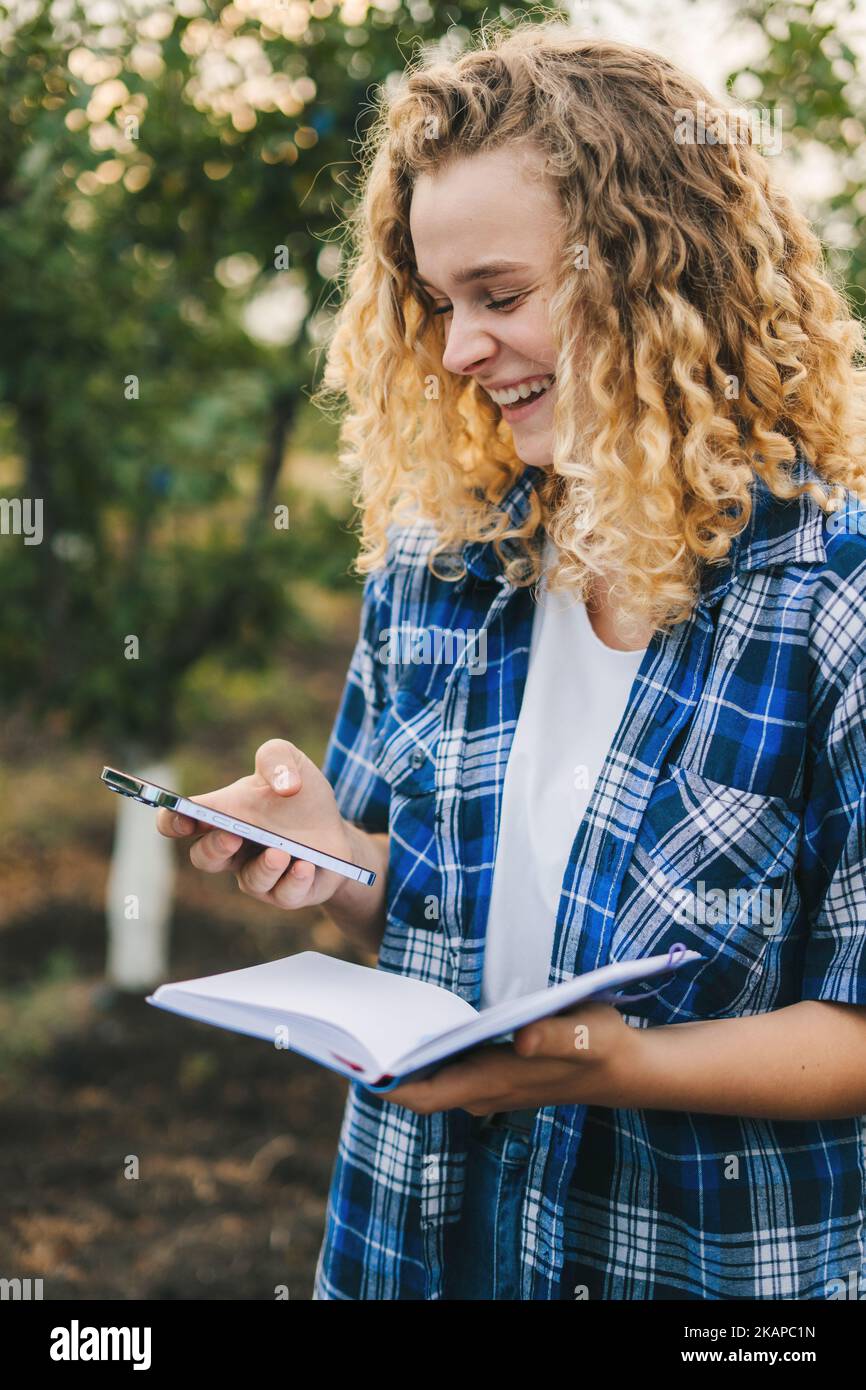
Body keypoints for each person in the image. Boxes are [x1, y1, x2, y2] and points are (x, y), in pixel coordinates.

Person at [158, 21, 866, 1300]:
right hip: (412, 1246)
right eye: (438, 306)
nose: (456, 352)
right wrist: (334, 859)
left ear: (662, 271)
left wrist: (607, 1061)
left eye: (499, 295)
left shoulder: (836, 604)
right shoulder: (442, 571)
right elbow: (421, 925)